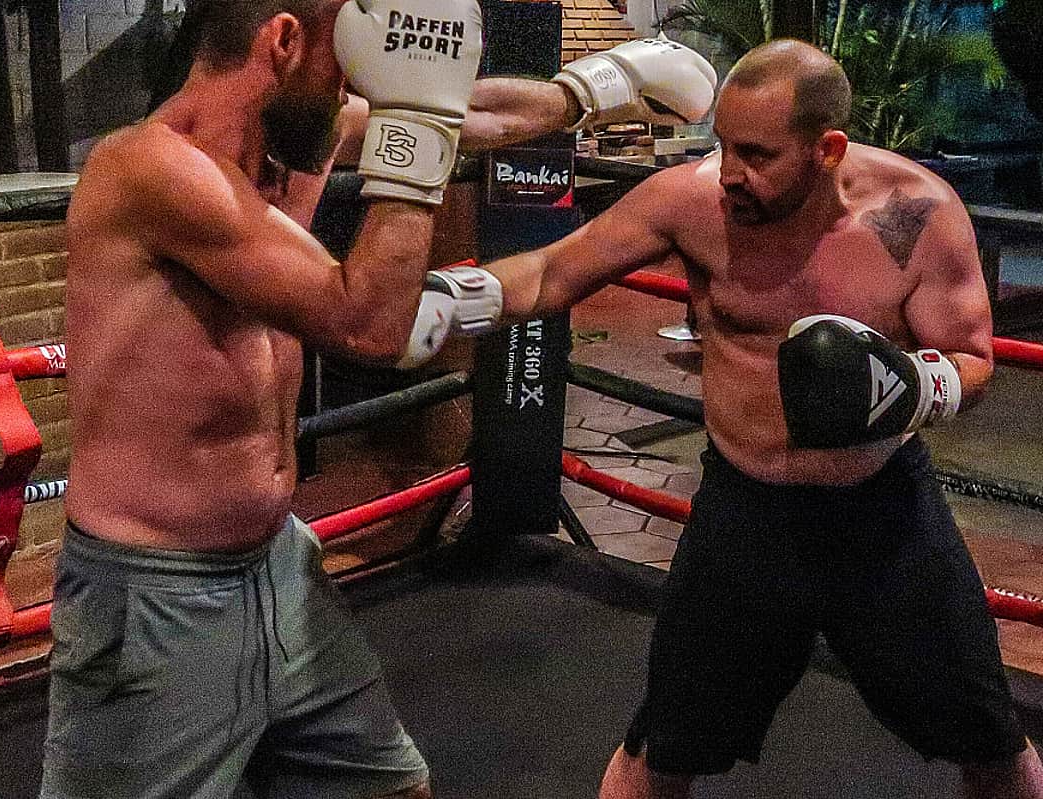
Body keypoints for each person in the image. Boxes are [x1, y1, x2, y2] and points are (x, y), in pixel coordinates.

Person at [46, 0, 717, 794]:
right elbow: (367, 324)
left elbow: (473, 112)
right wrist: (416, 111)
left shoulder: (297, 132)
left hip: (277, 566)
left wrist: (605, 83)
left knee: (390, 787)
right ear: (285, 40)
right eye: (346, 67)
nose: (355, 91)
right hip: (154, 601)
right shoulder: (149, 169)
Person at [402, 39, 1043, 799]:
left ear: (827, 149)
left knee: (992, 740)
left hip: (882, 514)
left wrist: (911, 385)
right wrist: (448, 299)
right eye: (722, 144)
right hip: (746, 516)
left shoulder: (916, 216)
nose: (729, 171)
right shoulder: (693, 200)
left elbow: (972, 357)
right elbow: (549, 269)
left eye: (756, 153)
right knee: (661, 746)